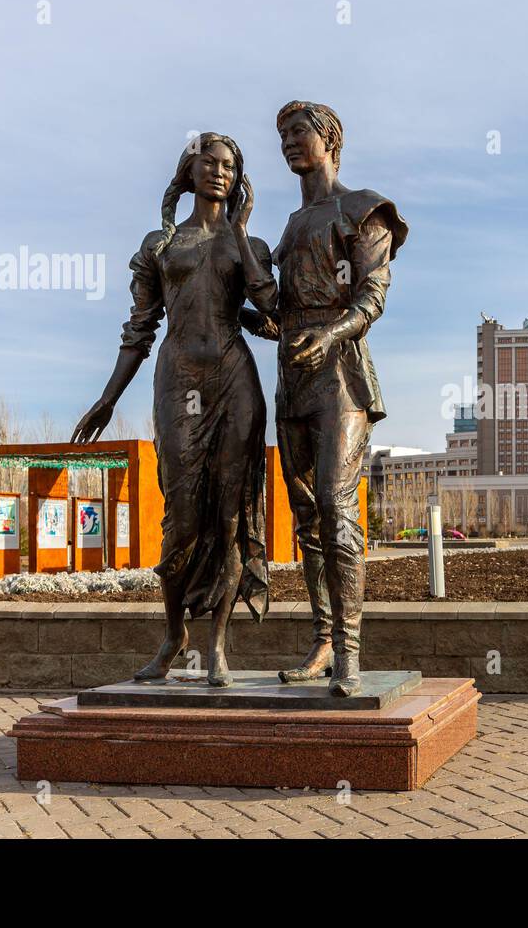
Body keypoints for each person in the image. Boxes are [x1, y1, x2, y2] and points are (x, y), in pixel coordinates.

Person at [73, 133, 275, 688]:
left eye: (230, 165)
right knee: (182, 520)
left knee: (231, 519)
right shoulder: (161, 244)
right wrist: (109, 398)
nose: (219, 171)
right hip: (179, 382)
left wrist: (240, 232)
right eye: (208, 162)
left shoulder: (247, 242)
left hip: (235, 382)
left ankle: (217, 649)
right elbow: (139, 330)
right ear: (188, 171)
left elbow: (272, 312)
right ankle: (173, 635)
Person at [240, 102, 407, 697]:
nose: (287, 142)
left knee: (338, 512)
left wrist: (329, 332)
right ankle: (322, 640)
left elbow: (371, 299)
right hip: (294, 383)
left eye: (298, 132)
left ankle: (351, 654)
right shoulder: (288, 226)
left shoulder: (363, 208)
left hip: (341, 377)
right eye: (280, 134)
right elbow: (281, 318)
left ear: (330, 139)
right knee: (307, 519)